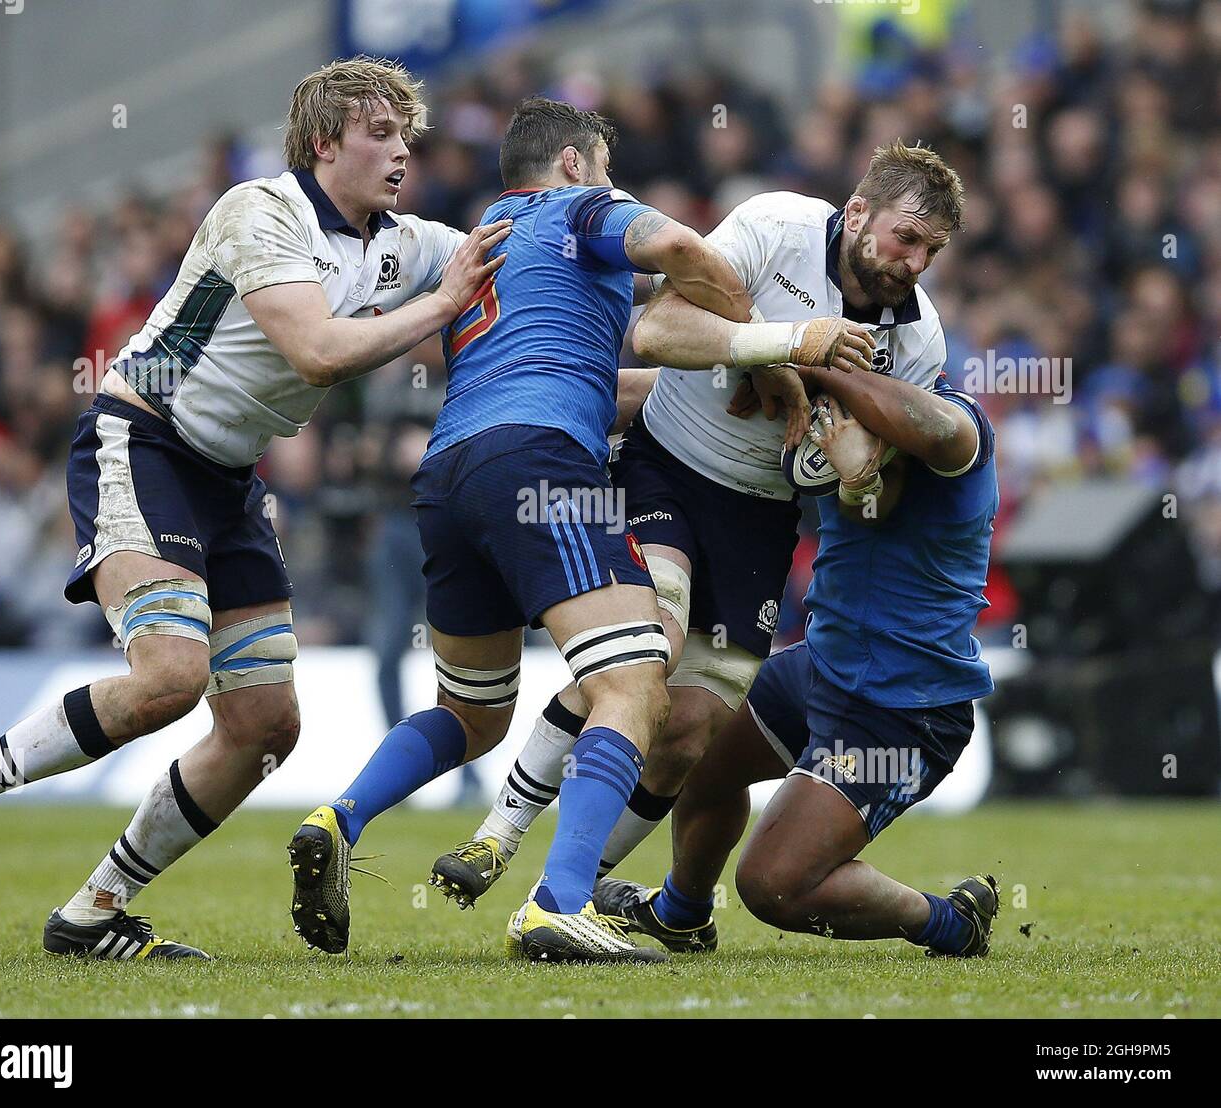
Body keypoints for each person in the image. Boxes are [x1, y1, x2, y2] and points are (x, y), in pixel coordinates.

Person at [0, 57, 509, 960]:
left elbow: (500, 258)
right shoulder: (259, 211)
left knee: (267, 726)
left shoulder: (411, 243)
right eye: (379, 134)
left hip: (231, 479)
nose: (402, 154)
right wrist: (440, 305)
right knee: (170, 677)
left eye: (407, 137)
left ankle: (93, 913)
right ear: (324, 142)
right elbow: (315, 351)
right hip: (142, 441)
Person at [286, 97, 865, 964]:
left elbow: (594, 372)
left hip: (450, 475)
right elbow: (680, 250)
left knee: (471, 714)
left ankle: (340, 815)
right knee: (636, 681)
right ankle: (558, 902)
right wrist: (771, 351)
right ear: (570, 163)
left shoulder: (485, 239)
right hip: (542, 462)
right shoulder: (580, 207)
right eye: (603, 165)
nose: (612, 183)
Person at [431, 142, 963, 954]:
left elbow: (872, 482)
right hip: (668, 468)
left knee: (685, 730)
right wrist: (790, 344)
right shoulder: (777, 224)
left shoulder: (920, 343)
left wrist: (853, 475)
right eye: (905, 238)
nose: (914, 262)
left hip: (760, 518)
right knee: (654, 644)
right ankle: (495, 836)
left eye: (931, 251)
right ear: (857, 213)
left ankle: (559, 895)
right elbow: (661, 328)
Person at [598, 363, 1001, 958]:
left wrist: (811, 362)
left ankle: (947, 922)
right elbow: (674, 388)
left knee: (772, 887)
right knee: (691, 746)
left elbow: (936, 437)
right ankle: (680, 915)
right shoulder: (829, 409)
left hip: (902, 707)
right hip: (821, 667)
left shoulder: (957, 419)